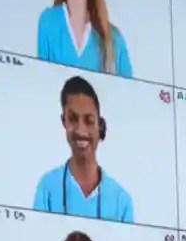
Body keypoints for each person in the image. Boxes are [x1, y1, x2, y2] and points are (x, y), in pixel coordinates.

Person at [33, 76, 134, 223]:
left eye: (89, 121)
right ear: (64, 121)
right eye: (73, 119)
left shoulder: (121, 201)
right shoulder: (47, 189)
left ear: (99, 125)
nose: (81, 130)